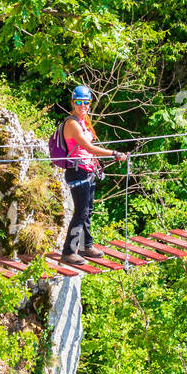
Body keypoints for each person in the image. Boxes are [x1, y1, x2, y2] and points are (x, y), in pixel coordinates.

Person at [60, 85, 129, 266]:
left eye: (86, 102)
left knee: (88, 210)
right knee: (80, 212)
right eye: (79, 102)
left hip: (88, 170)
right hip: (77, 172)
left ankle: (85, 246)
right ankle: (68, 252)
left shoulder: (84, 121)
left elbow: (88, 151)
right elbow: (88, 148)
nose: (83, 105)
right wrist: (114, 153)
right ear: (73, 103)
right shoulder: (72, 123)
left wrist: (96, 162)